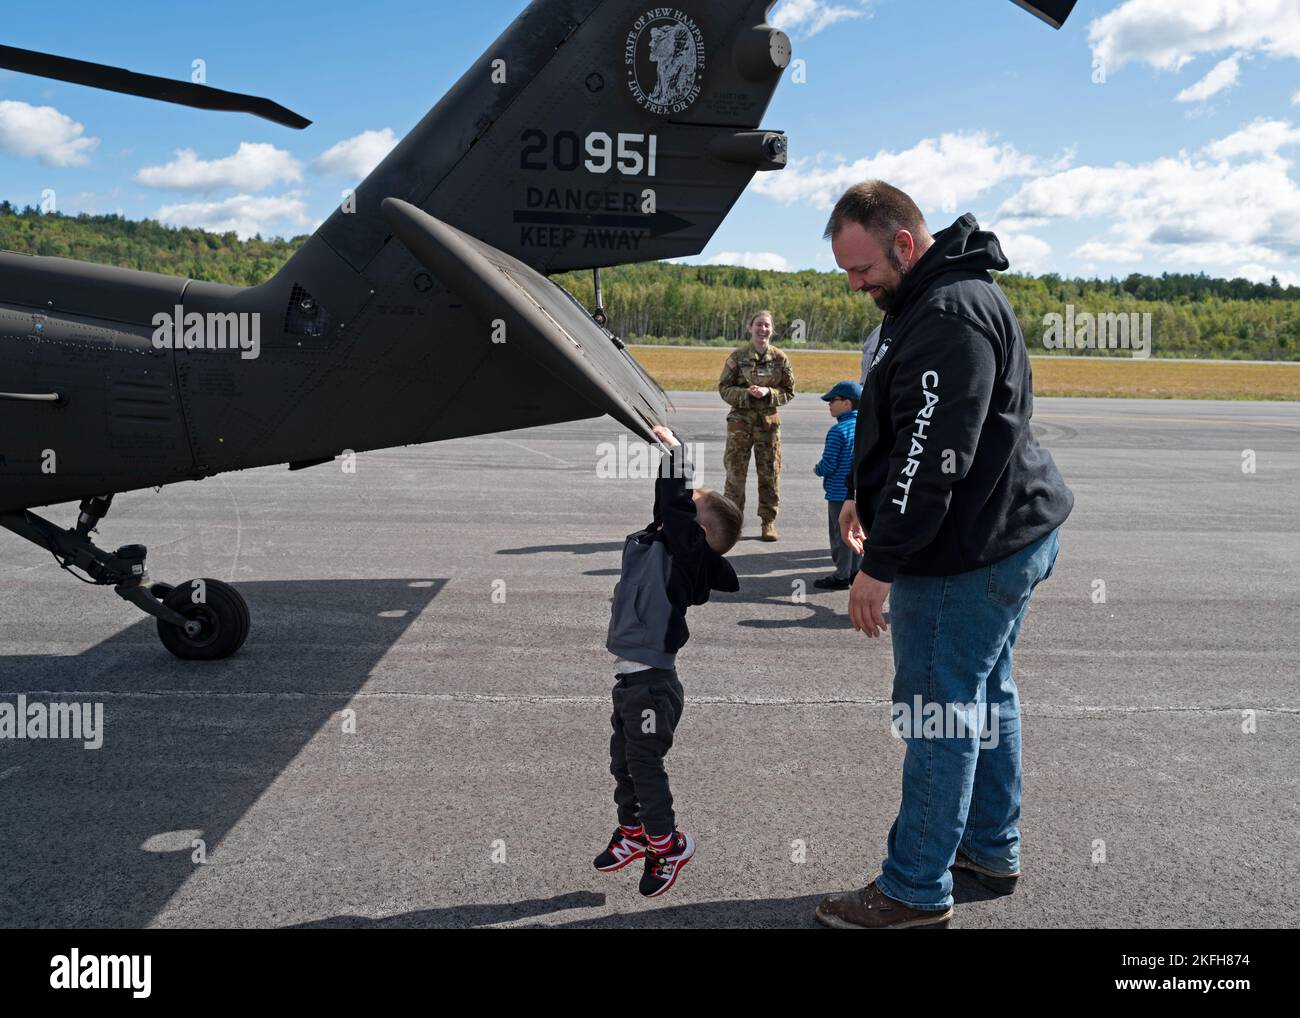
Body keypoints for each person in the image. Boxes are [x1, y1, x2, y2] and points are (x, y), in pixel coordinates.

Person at [814, 180, 1074, 930]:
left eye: (862, 269)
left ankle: (914, 889)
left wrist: (878, 565)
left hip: (969, 553)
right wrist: (867, 486)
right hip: (1006, 533)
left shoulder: (948, 313)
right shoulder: (932, 297)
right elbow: (916, 431)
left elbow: (935, 459)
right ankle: (990, 846)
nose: (856, 285)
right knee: (985, 694)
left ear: (904, 243)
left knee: (937, 711)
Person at [596, 424, 742, 897]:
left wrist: (678, 455)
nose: (673, 512)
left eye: (689, 508)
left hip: (652, 686)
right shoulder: (667, 546)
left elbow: (673, 509)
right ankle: (636, 832)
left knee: (644, 764)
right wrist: (670, 458)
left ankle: (667, 843)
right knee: (623, 763)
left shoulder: (682, 556)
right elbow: (669, 509)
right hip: (632, 682)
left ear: (696, 534)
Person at [718, 310, 795, 541]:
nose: (763, 329)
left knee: (770, 473)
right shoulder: (738, 356)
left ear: (772, 330)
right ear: (749, 328)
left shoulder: (780, 359)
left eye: (767, 326)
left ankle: (768, 522)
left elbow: (789, 391)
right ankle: (732, 523)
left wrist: (768, 392)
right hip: (740, 425)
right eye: (758, 325)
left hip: (768, 427)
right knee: (735, 474)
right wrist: (746, 394)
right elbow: (724, 388)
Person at [812, 380, 862, 590]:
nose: (829, 404)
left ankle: (841, 574)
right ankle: (855, 572)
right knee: (858, 531)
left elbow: (829, 464)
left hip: (839, 493)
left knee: (840, 534)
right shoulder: (865, 426)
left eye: (833, 400)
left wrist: (818, 469)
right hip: (860, 493)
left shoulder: (838, 431)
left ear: (847, 404)